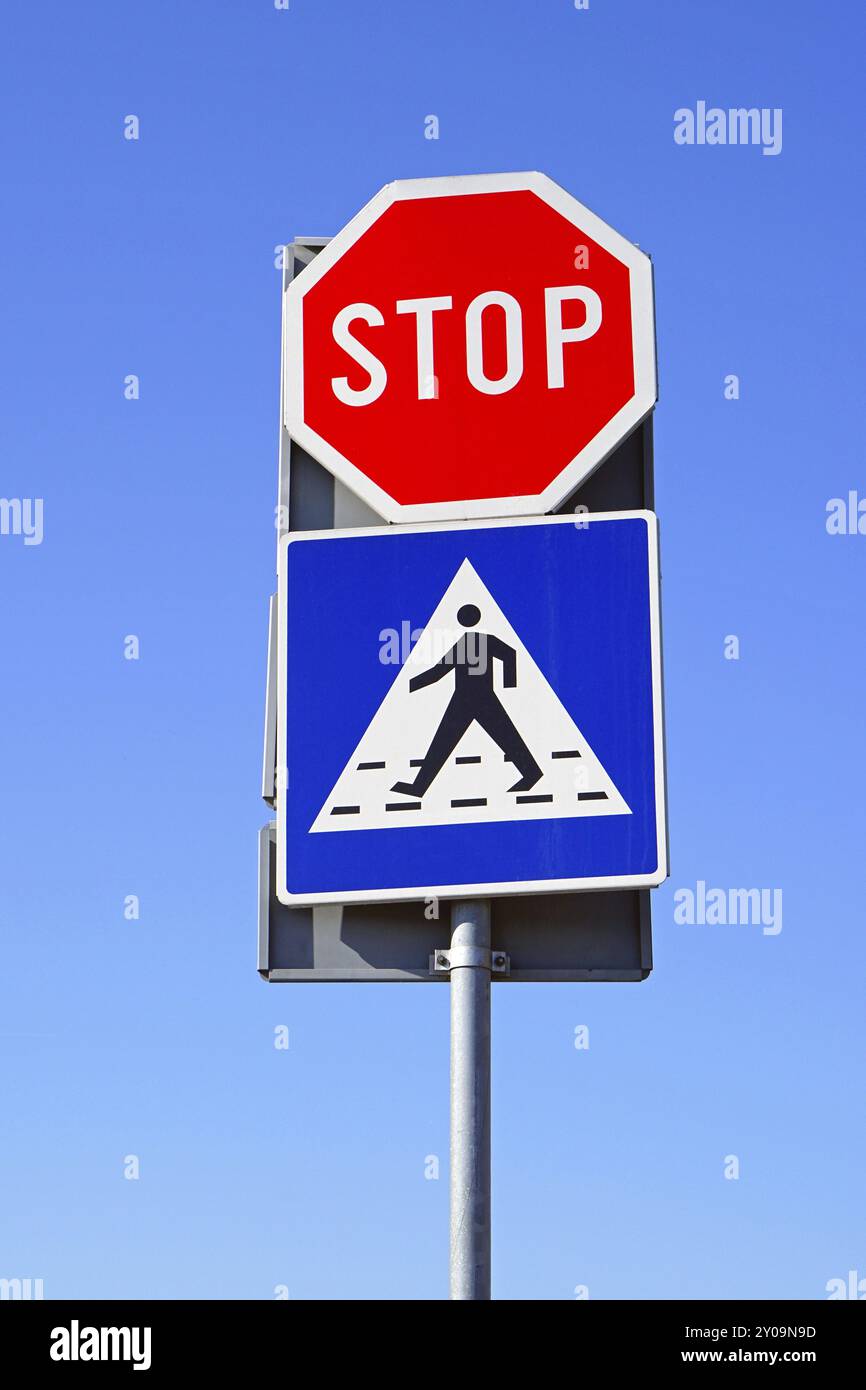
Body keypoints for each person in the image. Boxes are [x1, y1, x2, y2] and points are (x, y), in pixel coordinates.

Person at [391, 603, 543, 798]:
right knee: (447, 741)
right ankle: (419, 787)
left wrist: (409, 685)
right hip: (471, 697)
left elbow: (438, 673)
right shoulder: (480, 641)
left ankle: (531, 774)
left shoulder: (466, 643)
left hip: (475, 698)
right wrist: (508, 682)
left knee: (502, 738)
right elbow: (509, 654)